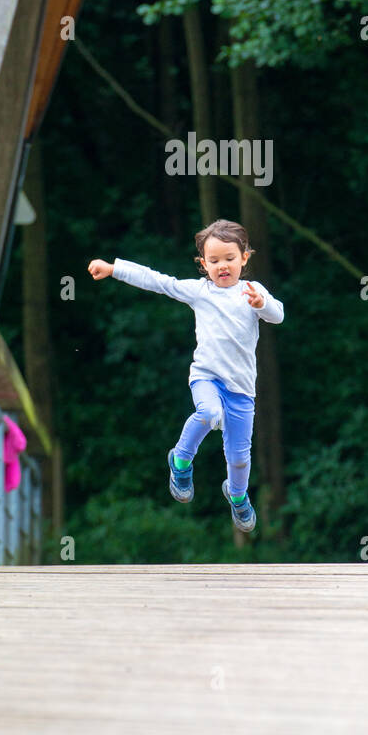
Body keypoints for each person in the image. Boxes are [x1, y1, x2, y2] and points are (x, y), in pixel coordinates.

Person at [87, 219, 284, 533]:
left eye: (229, 259)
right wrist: (114, 268)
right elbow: (157, 281)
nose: (223, 266)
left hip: (242, 390)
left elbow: (277, 315)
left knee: (239, 458)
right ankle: (180, 462)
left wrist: (263, 304)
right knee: (209, 412)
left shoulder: (252, 291)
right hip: (206, 377)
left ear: (244, 258)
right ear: (204, 264)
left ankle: (237, 495)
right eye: (215, 261)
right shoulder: (199, 291)